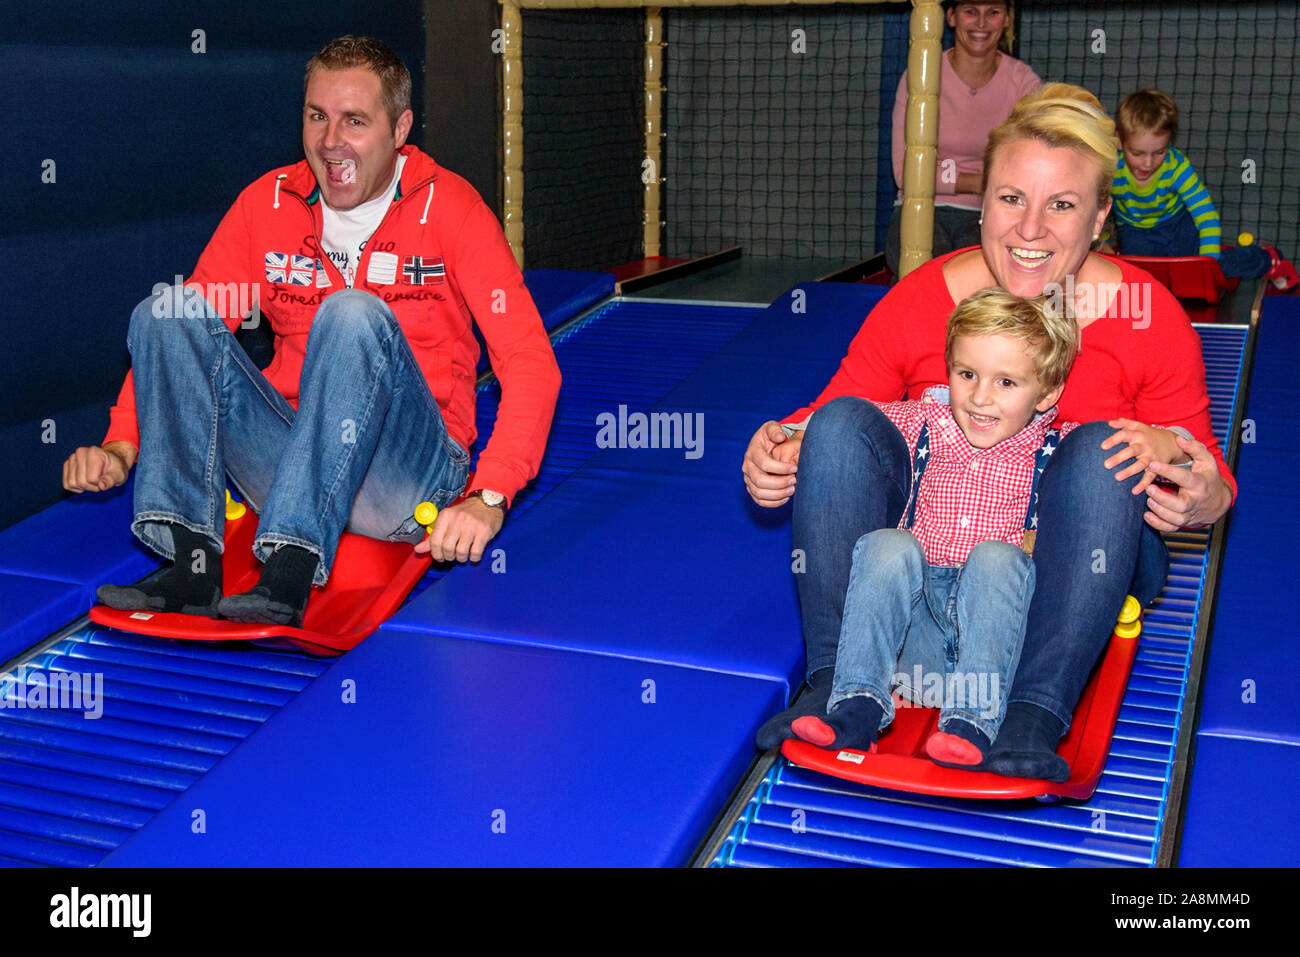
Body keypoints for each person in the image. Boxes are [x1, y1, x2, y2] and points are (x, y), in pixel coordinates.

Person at [744, 84, 1236, 783]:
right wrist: (781, 448)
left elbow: (1208, 474)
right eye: (1011, 199)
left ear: (1099, 216)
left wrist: (1200, 488)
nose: (1030, 229)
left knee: (1099, 449)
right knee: (840, 425)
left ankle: (1036, 708)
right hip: (935, 565)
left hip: (1072, 567)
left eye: (1061, 205)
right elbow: (837, 417)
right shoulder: (920, 300)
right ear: (982, 203)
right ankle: (839, 682)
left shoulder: (1146, 314)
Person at [62, 36, 561, 627]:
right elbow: (185, 334)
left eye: (355, 121)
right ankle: (191, 567)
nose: (331, 142)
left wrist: (489, 497)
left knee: (352, 312)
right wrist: (123, 445)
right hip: (290, 457)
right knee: (169, 310)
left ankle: (290, 570)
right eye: (317, 117)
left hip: (403, 479)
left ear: (400, 129)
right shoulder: (267, 203)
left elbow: (530, 359)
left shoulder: (449, 208)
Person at [788, 289, 1085, 767]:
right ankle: (856, 708)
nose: (980, 397)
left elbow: (1116, 466)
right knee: (888, 545)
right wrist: (787, 433)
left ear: (1048, 392)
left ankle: (972, 724)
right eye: (967, 374)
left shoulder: (1060, 449)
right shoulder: (925, 420)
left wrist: (1168, 444)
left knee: (996, 559)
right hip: (913, 641)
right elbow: (844, 424)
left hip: (996, 642)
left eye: (1007, 382)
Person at [885, 0, 1040, 276]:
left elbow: (1030, 168)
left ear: (1006, 20)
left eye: (992, 13)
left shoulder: (1023, 82)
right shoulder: (919, 76)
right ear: (952, 17)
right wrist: (982, 182)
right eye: (971, 11)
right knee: (929, 277)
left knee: (979, 285)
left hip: (989, 213)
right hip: (923, 208)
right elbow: (906, 175)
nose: (981, 23)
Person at [1112, 89, 1298, 289]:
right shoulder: (1110, 169)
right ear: (1120, 142)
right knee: (1142, 280)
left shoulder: (1176, 168)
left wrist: (1208, 262)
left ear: (1169, 143)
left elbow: (1207, 216)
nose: (1148, 163)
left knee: (1212, 265)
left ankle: (1265, 260)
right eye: (1138, 153)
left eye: (1159, 152)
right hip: (1135, 231)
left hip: (1177, 225)